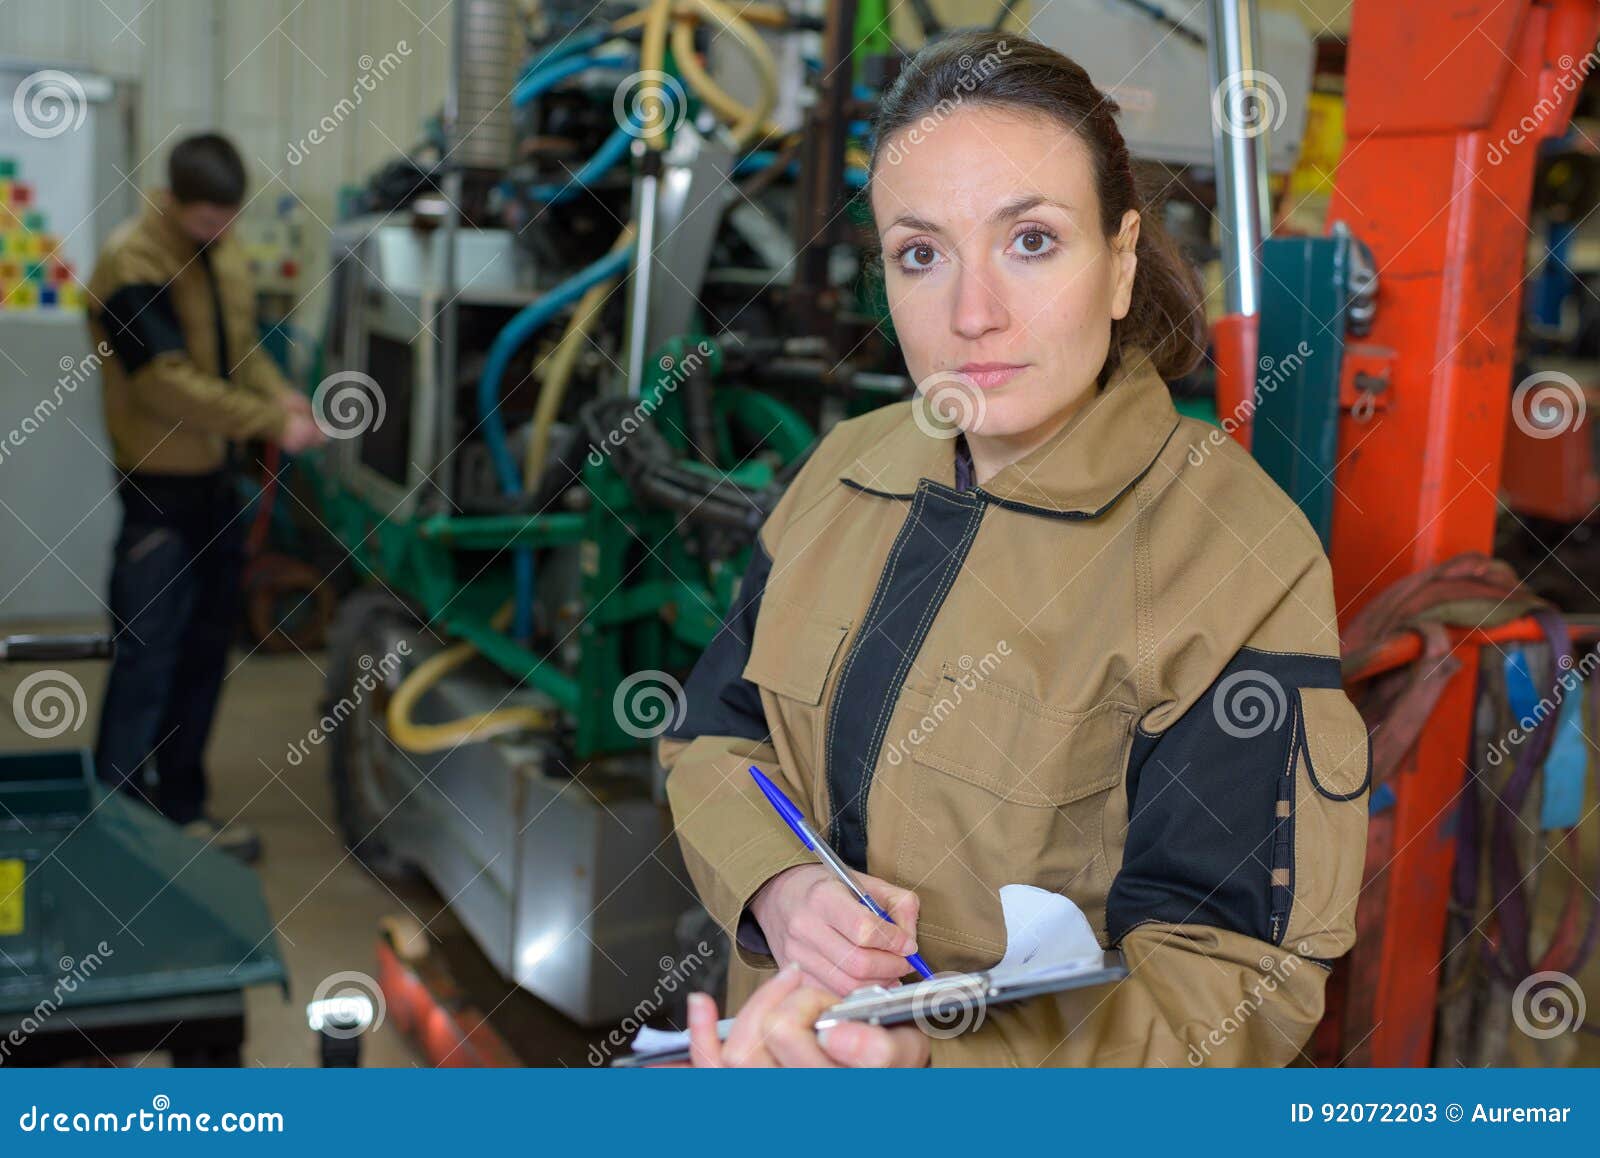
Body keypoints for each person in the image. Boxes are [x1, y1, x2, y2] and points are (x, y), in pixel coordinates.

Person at [657, 30, 1370, 1067]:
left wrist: (932, 1062)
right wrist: (778, 884)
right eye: (920, 253)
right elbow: (712, 737)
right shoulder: (843, 471)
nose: (971, 313)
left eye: (1030, 241)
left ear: (1120, 266)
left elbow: (1227, 994)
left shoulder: (1228, 558)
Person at [87, 132, 326, 861]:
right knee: (147, 655)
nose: (220, 232)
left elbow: (242, 350)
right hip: (159, 491)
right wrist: (266, 422)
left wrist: (283, 397)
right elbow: (162, 382)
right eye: (206, 220)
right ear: (172, 199)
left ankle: (182, 806)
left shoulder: (221, 255)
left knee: (203, 653)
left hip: (218, 487)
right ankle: (117, 821)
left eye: (229, 218)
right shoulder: (130, 264)